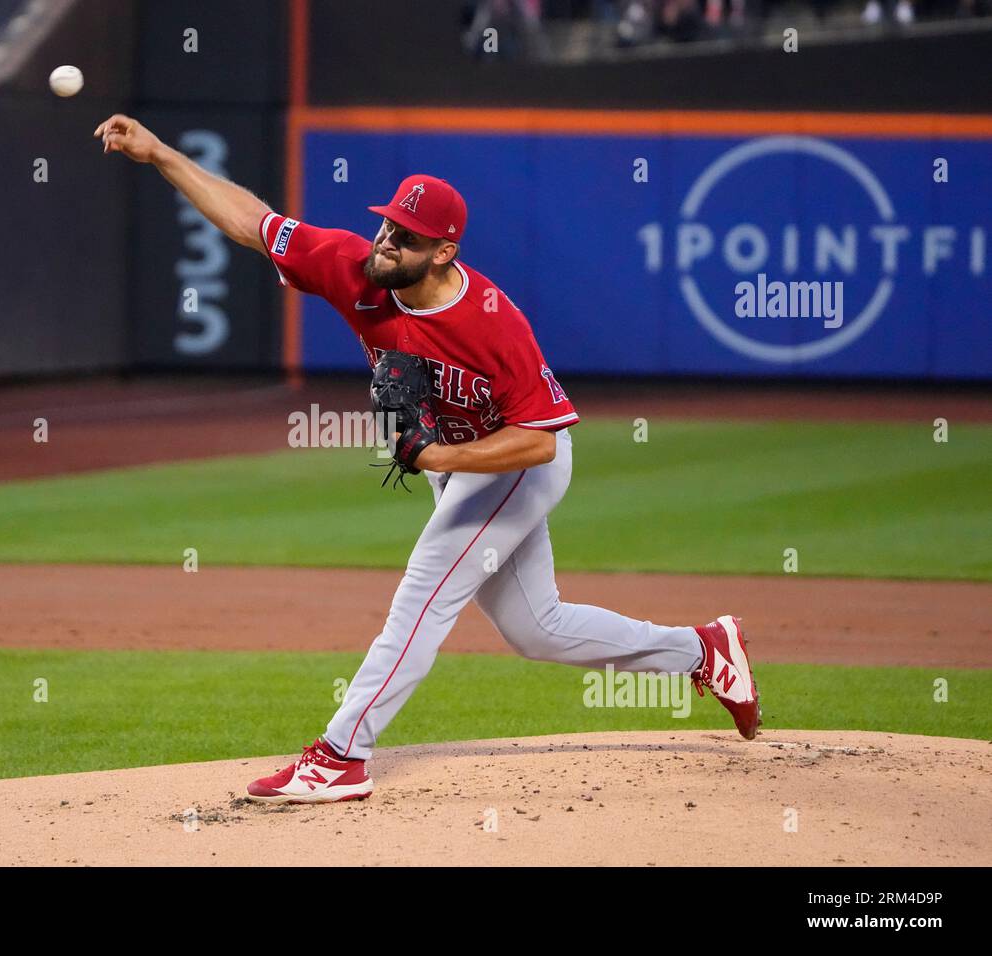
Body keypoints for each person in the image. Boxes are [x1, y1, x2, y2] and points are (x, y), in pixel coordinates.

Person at [96, 112, 761, 805]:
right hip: (460, 464)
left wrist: (441, 452)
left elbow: (541, 438)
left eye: (404, 237)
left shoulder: (493, 326)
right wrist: (160, 153)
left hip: (518, 463)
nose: (385, 241)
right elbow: (252, 223)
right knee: (539, 629)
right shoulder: (355, 268)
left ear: (442, 252)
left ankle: (340, 756)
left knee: (423, 592)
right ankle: (705, 649)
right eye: (385, 225)